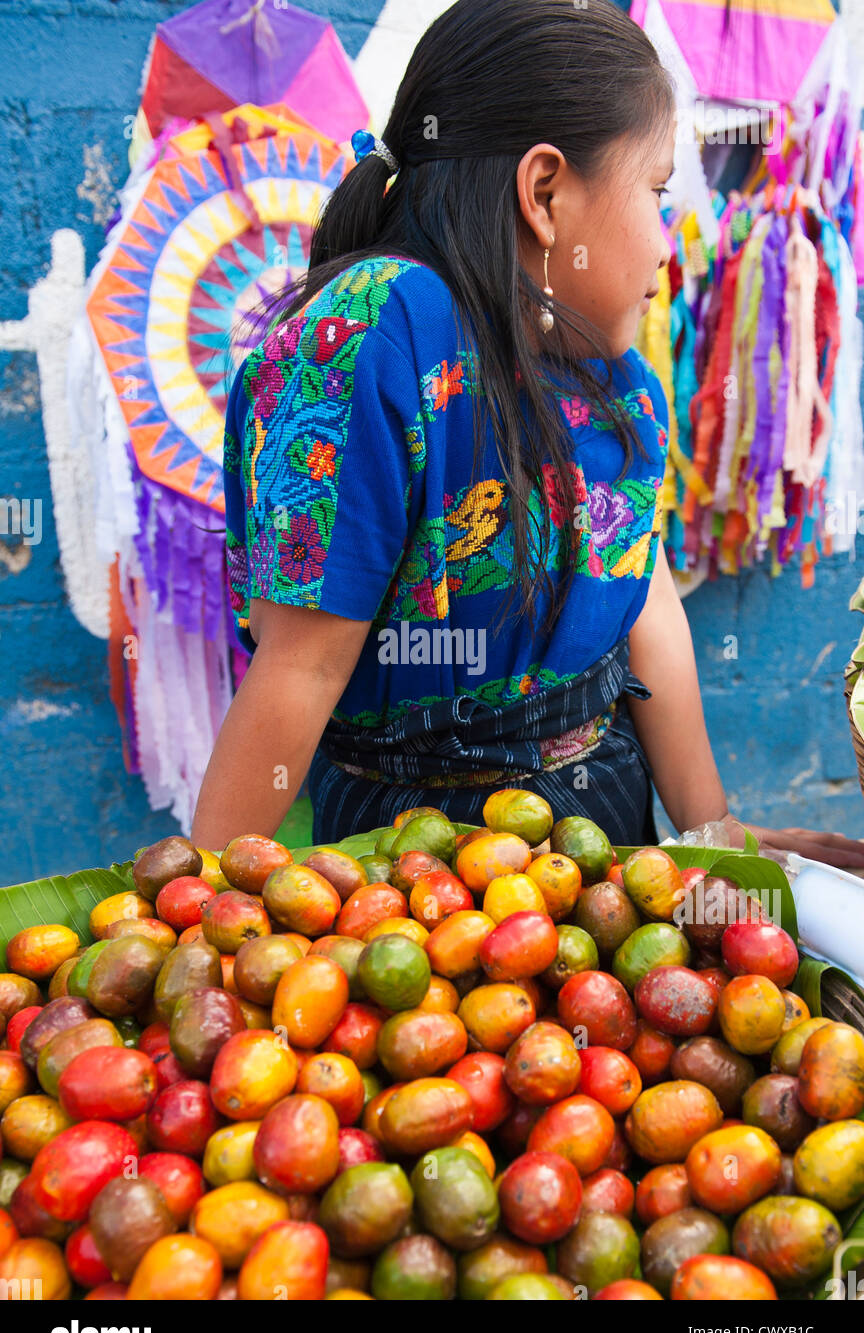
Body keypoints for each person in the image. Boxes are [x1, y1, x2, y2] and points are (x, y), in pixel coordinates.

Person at [191, 0, 864, 870]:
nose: (669, 242)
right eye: (658, 192)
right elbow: (300, 670)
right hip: (409, 864)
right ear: (545, 193)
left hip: (597, 833)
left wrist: (712, 837)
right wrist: (190, 917)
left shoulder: (610, 373)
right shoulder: (367, 341)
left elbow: (641, 591)